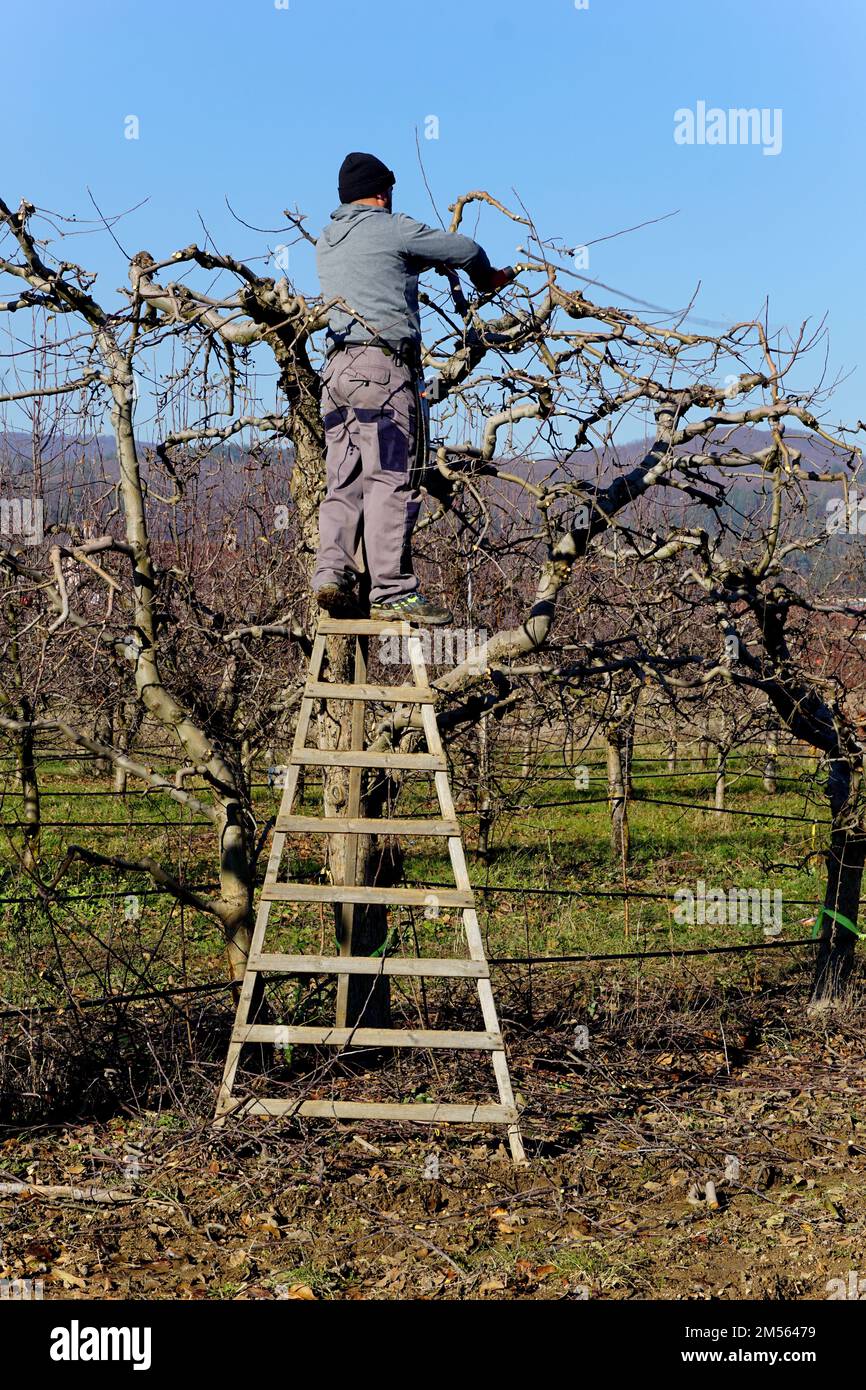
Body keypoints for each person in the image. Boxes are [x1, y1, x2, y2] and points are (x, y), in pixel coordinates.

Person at [312, 151, 515, 625]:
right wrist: (487, 278)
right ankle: (391, 591)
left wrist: (417, 261)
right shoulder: (392, 227)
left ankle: (332, 574)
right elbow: (463, 248)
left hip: (336, 376)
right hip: (382, 375)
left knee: (343, 481)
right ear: (382, 192)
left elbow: (378, 265)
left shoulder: (327, 239)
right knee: (389, 478)